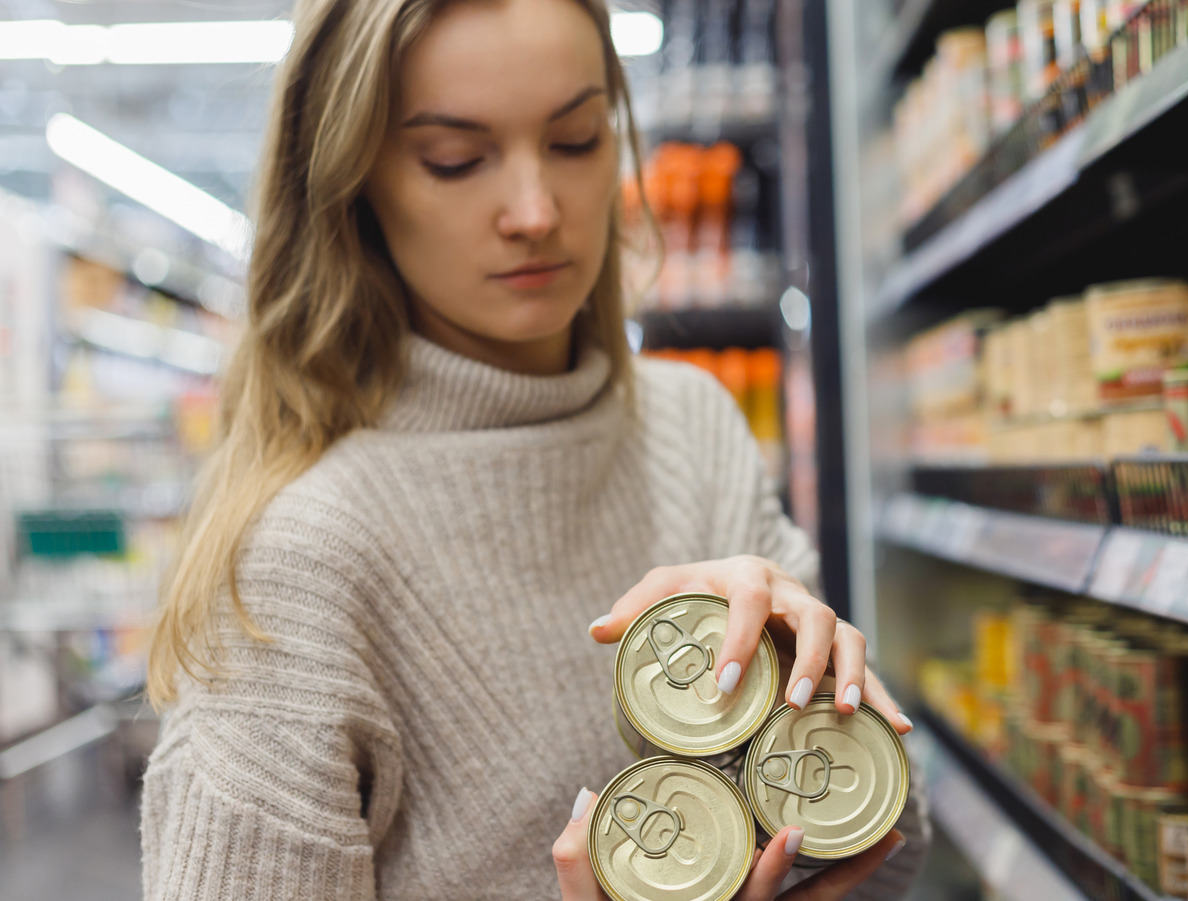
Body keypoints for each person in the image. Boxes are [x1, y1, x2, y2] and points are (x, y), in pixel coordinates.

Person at [138, 0, 926, 898]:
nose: (536, 211)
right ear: (350, 179)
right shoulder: (297, 564)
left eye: (578, 139)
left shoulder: (691, 428)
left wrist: (823, 702)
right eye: (455, 159)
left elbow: (891, 859)